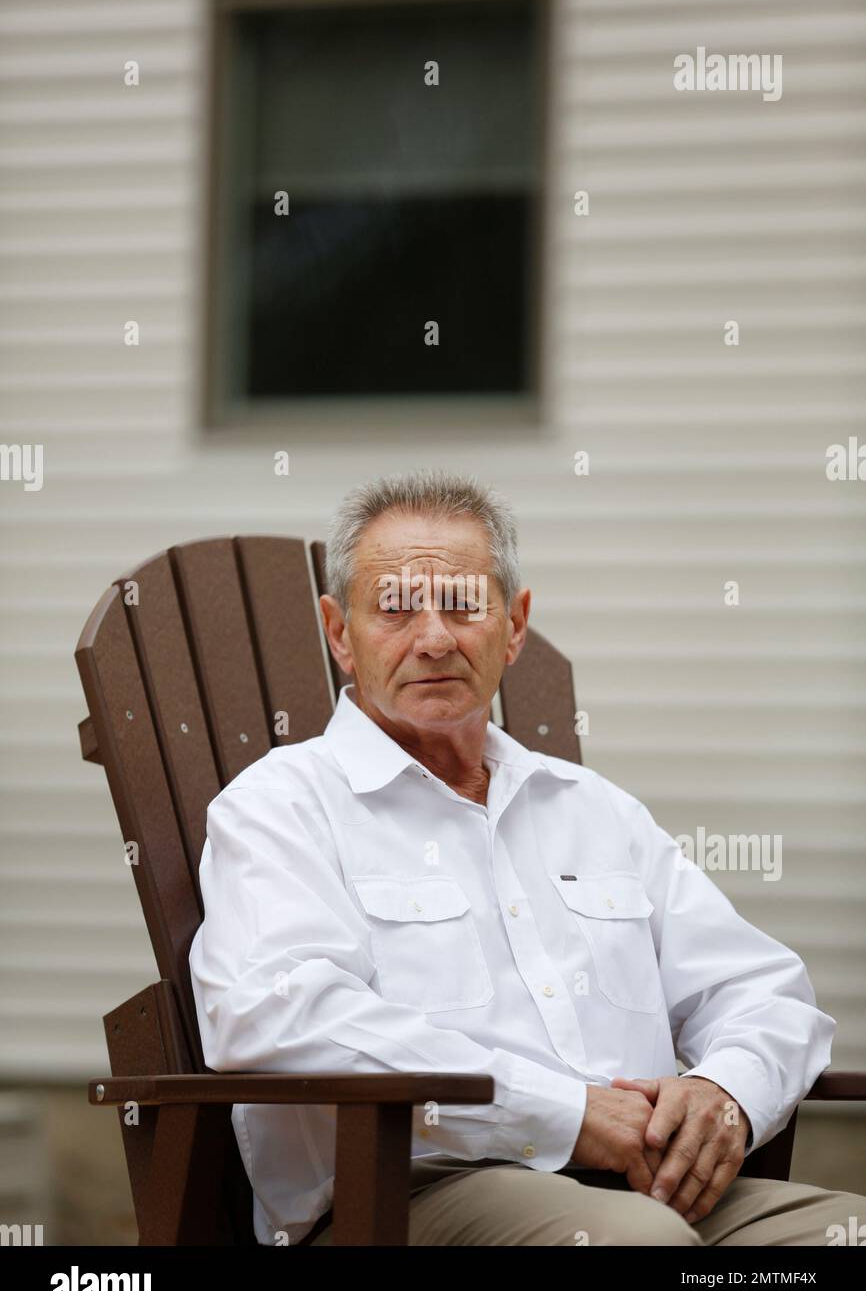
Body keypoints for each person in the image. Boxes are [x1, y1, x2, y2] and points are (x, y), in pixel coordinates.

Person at [188, 469, 864, 1246]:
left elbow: (764, 990)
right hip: (407, 1198)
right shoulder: (283, 807)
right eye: (397, 610)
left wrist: (725, 1093)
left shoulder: (593, 810)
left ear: (514, 625)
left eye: (464, 606)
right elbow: (274, 1012)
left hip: (652, 1184)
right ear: (341, 633)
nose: (434, 638)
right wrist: (563, 1115)